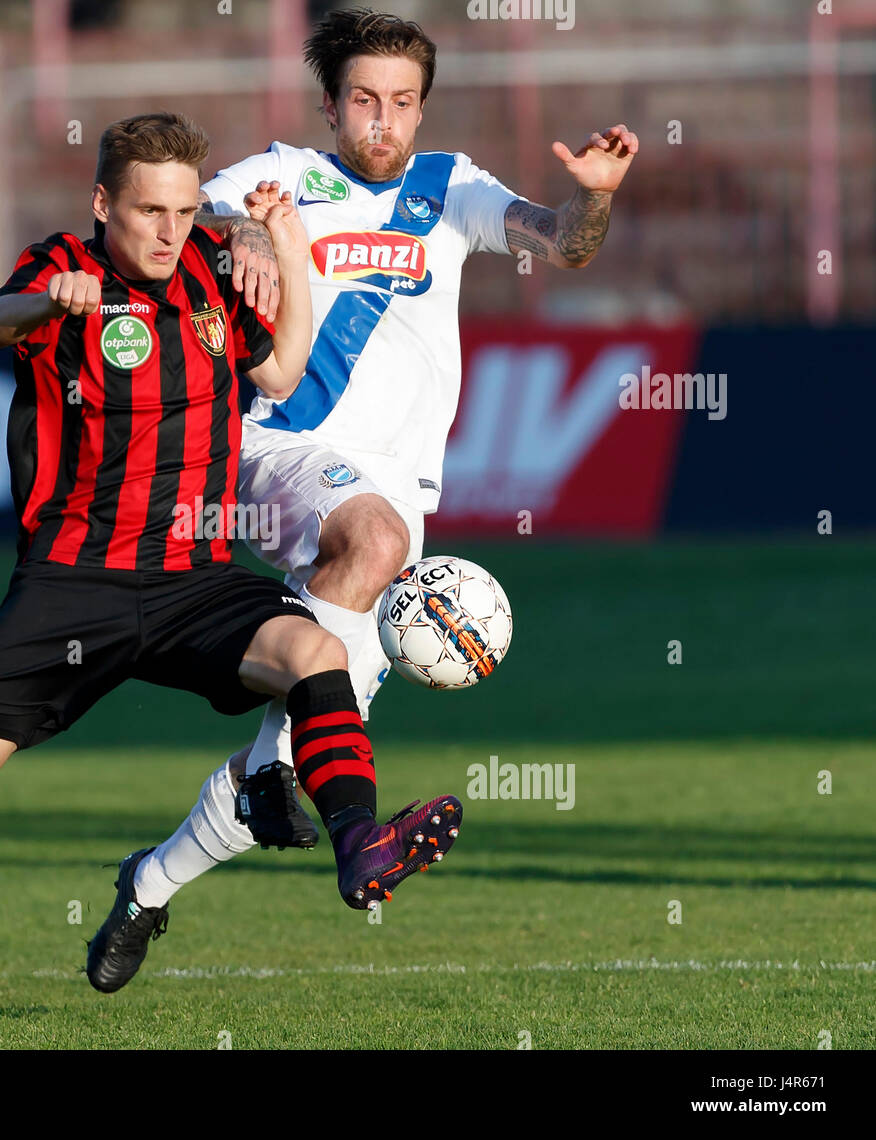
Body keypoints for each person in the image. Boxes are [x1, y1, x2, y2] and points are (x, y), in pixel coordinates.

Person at [0, 110, 460, 1030]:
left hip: (193, 574)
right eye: (148, 210)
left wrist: (290, 248)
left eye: (185, 210)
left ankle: (358, 847)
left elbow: (284, 372)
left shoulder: (212, 279)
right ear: (105, 204)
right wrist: (46, 302)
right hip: (73, 584)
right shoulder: (62, 263)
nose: (170, 229)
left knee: (316, 652)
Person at [103, 8, 637, 987]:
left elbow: (562, 245)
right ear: (329, 105)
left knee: (318, 730)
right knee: (375, 540)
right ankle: (275, 782)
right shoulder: (285, 178)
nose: (382, 122)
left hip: (389, 502)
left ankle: (147, 888)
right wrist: (242, 239)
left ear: (422, 109)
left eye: (401, 103)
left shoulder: (451, 189)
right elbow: (193, 210)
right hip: (278, 453)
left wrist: (590, 200)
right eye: (362, 101)